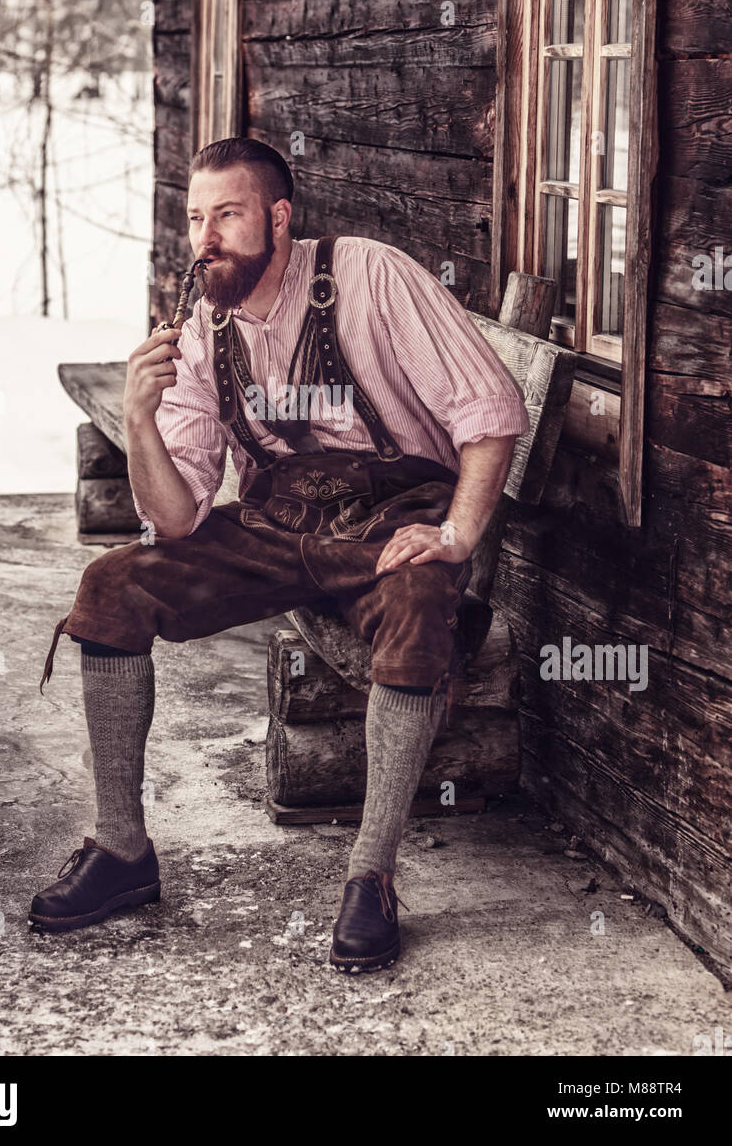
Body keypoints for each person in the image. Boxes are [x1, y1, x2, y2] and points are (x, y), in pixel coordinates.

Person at [31, 137, 529, 971]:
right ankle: (121, 851)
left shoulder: (370, 276)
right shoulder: (198, 331)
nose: (206, 237)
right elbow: (178, 517)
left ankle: (371, 877)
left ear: (279, 216)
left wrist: (457, 536)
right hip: (278, 526)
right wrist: (142, 421)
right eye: (196, 219)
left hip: (389, 521)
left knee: (415, 606)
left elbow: (492, 410)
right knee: (110, 588)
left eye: (226, 214)